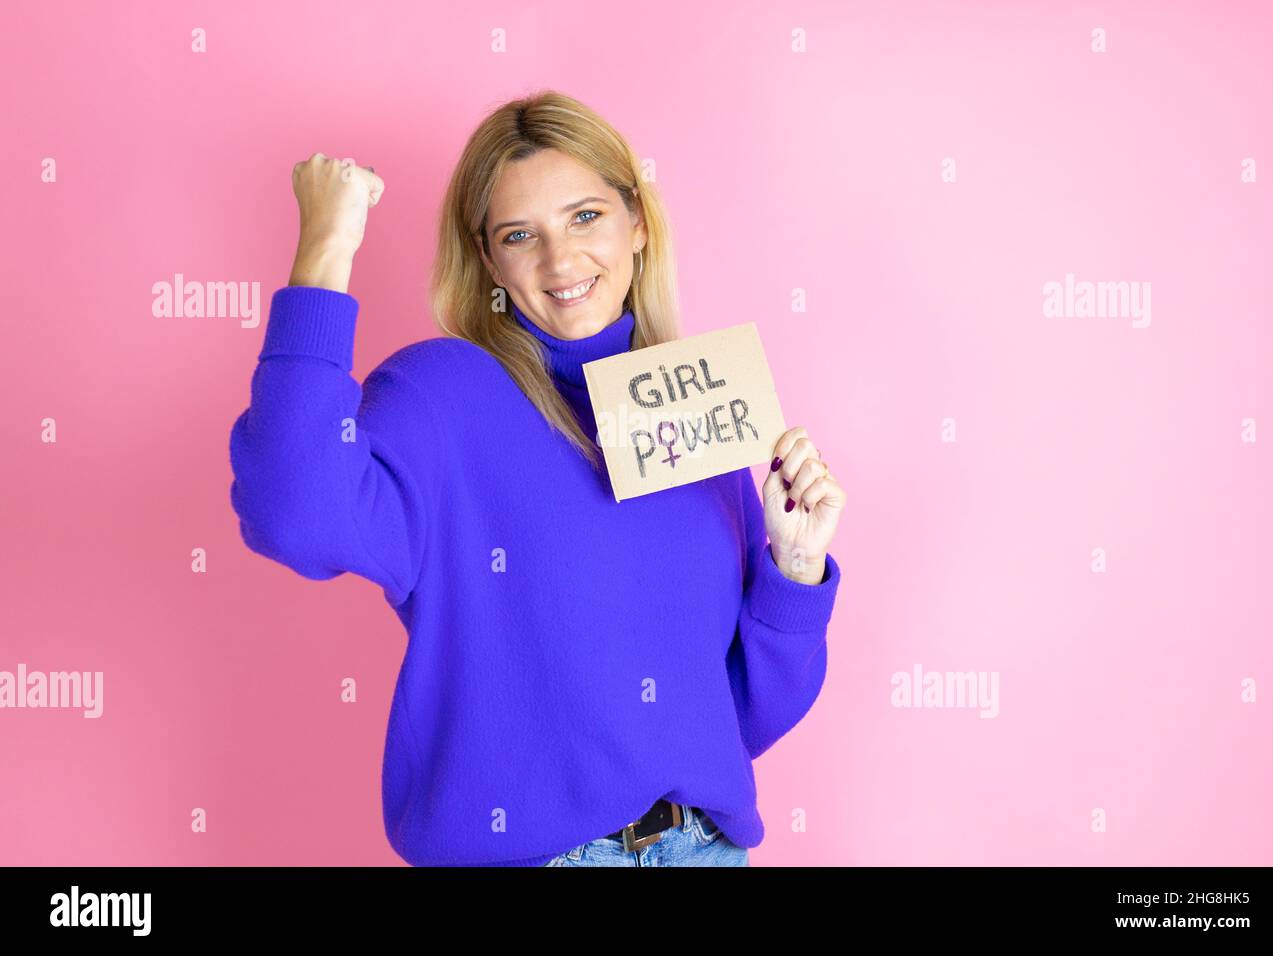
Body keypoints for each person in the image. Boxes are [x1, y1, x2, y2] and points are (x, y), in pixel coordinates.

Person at [228, 90, 847, 867]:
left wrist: (792, 569)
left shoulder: (690, 410)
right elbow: (293, 512)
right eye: (521, 235)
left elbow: (740, 719)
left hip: (703, 851)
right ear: (488, 259)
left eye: (586, 216)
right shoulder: (441, 395)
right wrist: (325, 250)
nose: (561, 261)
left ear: (638, 223)